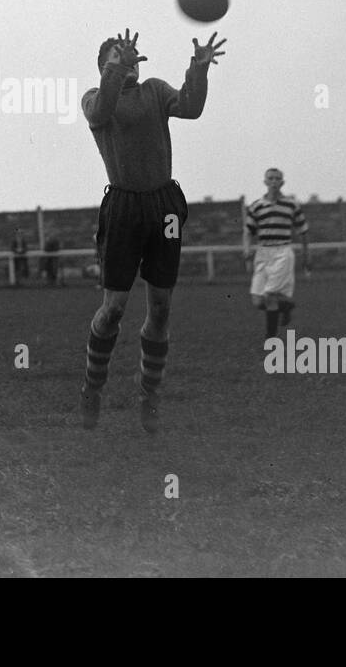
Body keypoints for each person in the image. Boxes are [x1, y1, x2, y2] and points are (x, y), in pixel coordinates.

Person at [78, 28, 224, 433]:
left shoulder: (156, 91)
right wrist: (114, 71)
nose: (130, 60)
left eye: (132, 54)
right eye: (119, 56)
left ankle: (150, 396)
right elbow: (101, 112)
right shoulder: (95, 98)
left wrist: (199, 67)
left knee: (160, 308)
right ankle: (92, 388)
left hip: (164, 207)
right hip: (123, 209)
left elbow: (191, 107)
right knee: (114, 309)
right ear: (105, 66)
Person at [245, 169, 310, 338]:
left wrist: (306, 255)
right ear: (265, 182)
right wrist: (246, 252)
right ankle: (287, 307)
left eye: (277, 179)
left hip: (282, 252)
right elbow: (248, 231)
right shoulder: (256, 206)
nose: (274, 181)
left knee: (270, 296)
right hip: (263, 253)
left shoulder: (292, 205)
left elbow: (303, 230)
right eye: (270, 178)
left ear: (282, 182)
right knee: (258, 301)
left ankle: (270, 338)